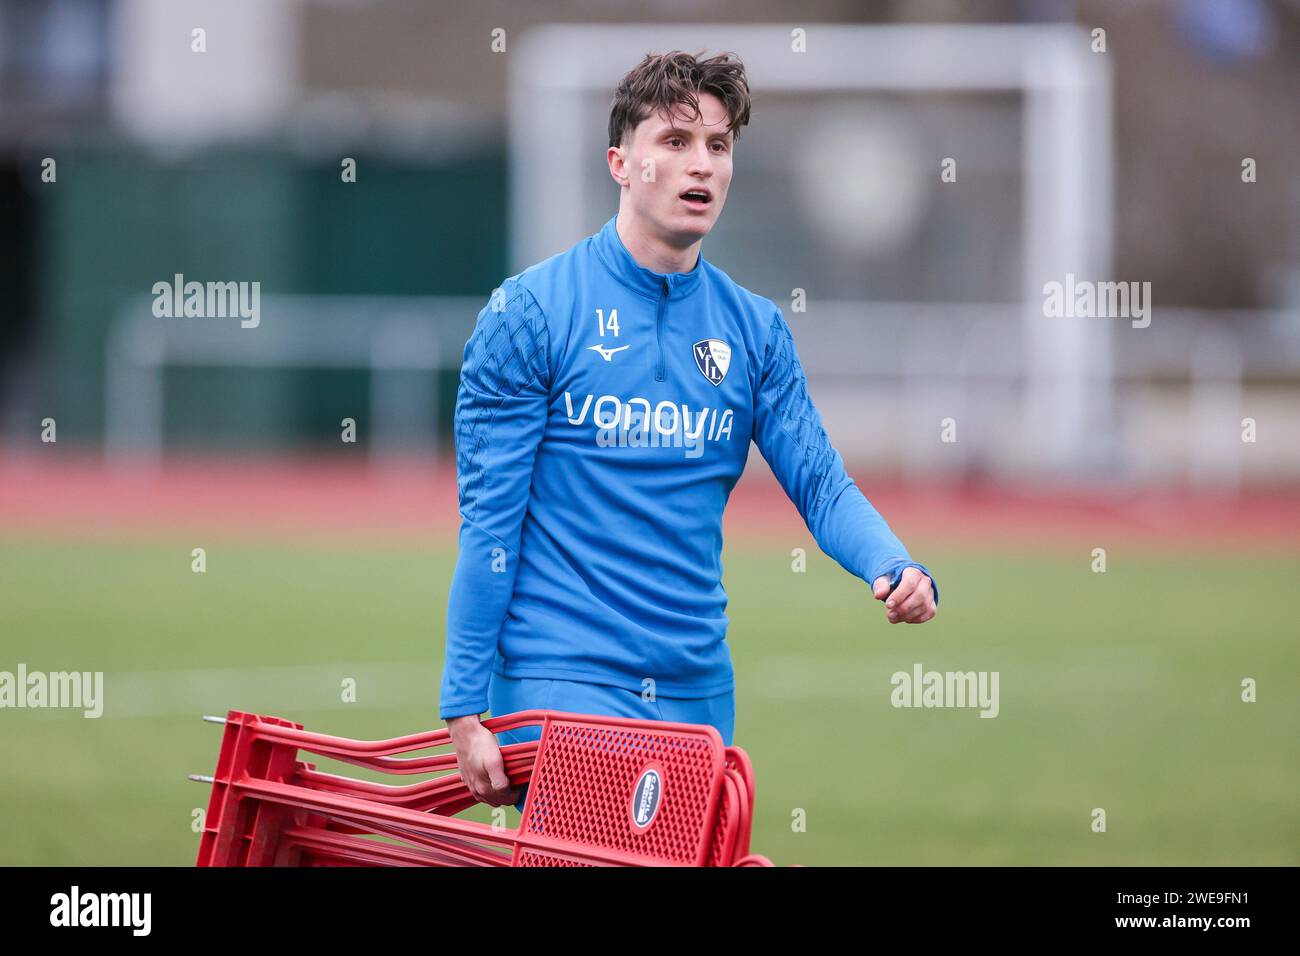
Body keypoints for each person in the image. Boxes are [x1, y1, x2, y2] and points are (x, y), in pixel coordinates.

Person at [440, 50, 938, 813]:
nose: (700, 163)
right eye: (675, 141)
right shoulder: (530, 314)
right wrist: (463, 706)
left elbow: (819, 481)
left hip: (697, 691)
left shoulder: (755, 330)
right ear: (621, 162)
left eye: (718, 144)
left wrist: (893, 562)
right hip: (562, 679)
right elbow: (490, 523)